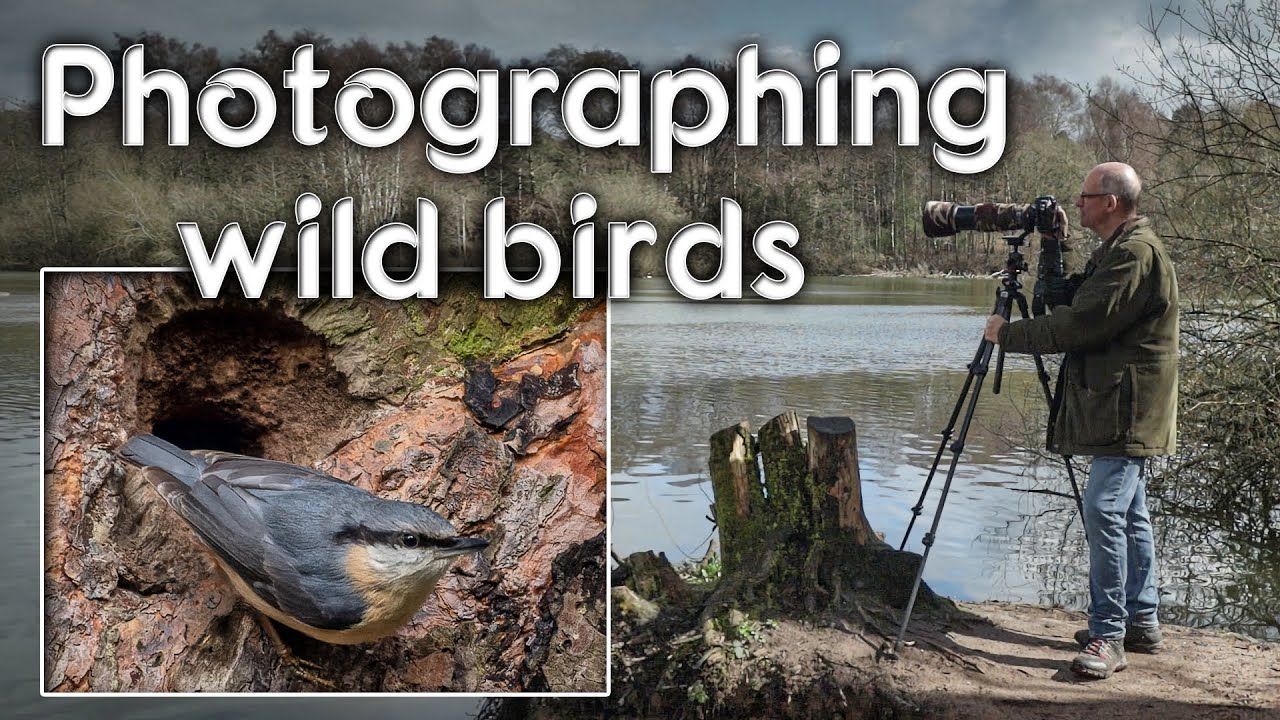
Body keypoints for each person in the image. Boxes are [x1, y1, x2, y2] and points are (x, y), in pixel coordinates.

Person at [984, 161, 1178, 679]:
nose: (1079, 203)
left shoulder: (1134, 255)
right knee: (1130, 512)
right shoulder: (1117, 250)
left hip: (1128, 409)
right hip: (1122, 405)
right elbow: (1063, 299)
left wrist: (1007, 334)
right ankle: (1142, 620)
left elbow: (1079, 326)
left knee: (1104, 509)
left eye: (1086, 196)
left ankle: (1109, 634)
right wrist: (1052, 247)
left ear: (1111, 202)